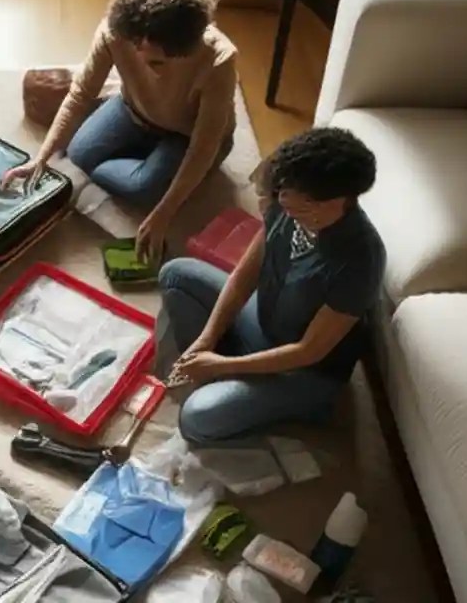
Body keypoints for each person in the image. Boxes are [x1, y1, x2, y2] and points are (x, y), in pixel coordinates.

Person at [157, 128, 385, 444]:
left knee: (196, 419)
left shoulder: (360, 260)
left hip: (305, 369)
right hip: (264, 322)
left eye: (295, 198)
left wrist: (222, 365)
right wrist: (207, 339)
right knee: (176, 274)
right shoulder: (285, 204)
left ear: (333, 202)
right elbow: (243, 276)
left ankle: (290, 402)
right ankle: (226, 370)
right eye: (283, 191)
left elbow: (308, 351)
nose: (282, 201)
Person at [5, 0, 237, 261]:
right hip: (135, 110)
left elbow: (204, 145)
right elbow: (79, 94)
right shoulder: (114, 32)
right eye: (135, 50)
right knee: (78, 154)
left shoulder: (219, 59)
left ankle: (152, 168)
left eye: (157, 63)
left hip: (186, 135)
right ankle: (143, 156)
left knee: (145, 191)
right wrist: (41, 158)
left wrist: (163, 214)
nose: (142, 62)